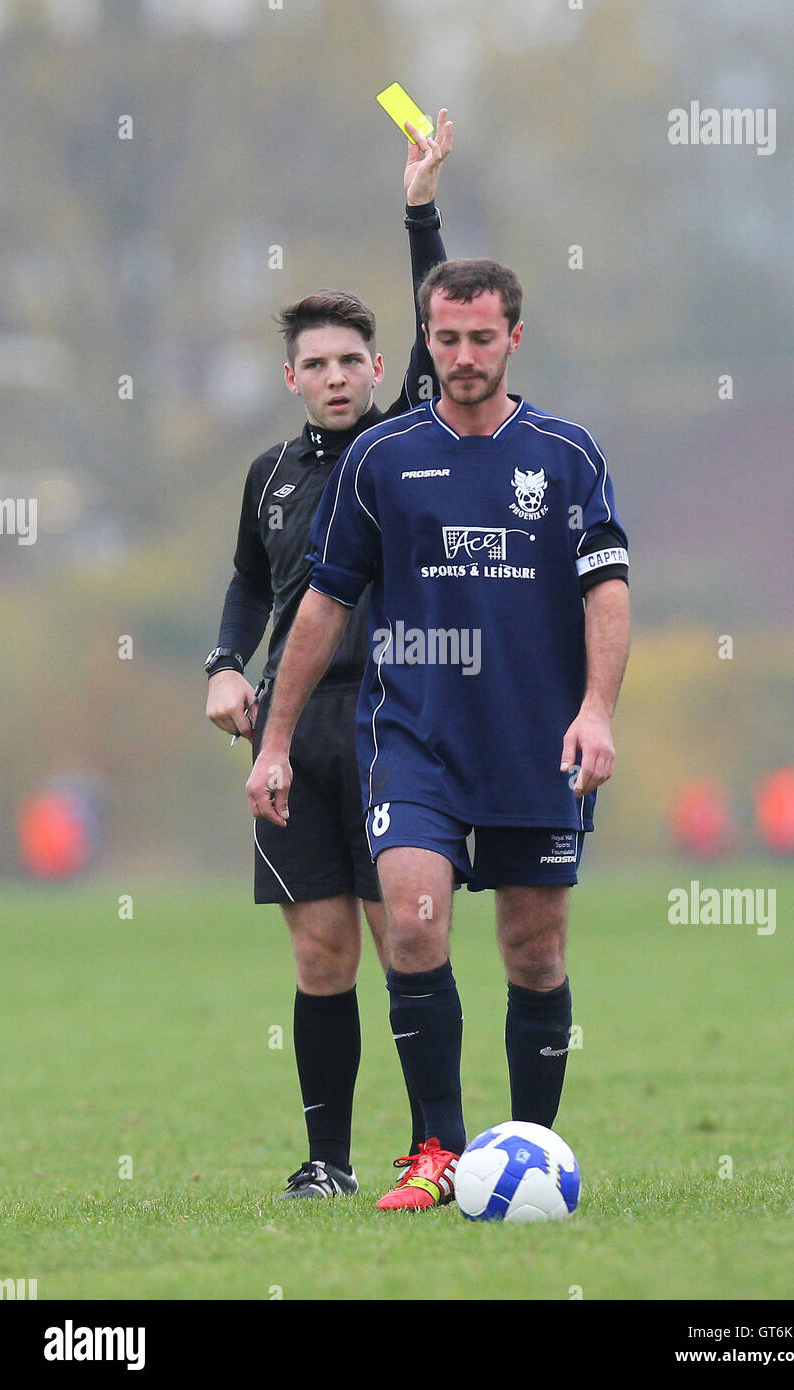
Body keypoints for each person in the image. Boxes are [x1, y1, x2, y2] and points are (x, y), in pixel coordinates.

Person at [247, 257, 631, 1210]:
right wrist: (276, 739)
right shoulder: (384, 460)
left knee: (535, 951)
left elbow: (608, 592)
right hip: (413, 738)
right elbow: (325, 601)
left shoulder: (567, 454)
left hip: (534, 740)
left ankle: (533, 1150)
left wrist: (596, 712)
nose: (464, 356)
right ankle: (440, 1153)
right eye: (446, 339)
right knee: (414, 925)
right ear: (426, 341)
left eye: (482, 338)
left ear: (514, 339)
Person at [204, 112, 453, 1200]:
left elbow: (441, 319)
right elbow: (251, 581)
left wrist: (419, 208)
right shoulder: (267, 473)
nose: (338, 375)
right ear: (292, 377)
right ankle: (325, 1161)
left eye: (355, 358)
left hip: (393, 717)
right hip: (291, 731)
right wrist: (224, 662)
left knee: (407, 935)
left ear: (379, 367)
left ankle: (434, 1147)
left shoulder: (406, 445)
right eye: (317, 363)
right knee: (318, 954)